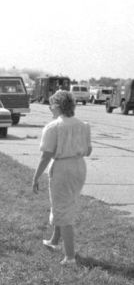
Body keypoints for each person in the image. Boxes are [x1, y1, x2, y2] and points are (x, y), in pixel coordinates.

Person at [32, 90, 92, 265]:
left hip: (63, 168)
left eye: (51, 105)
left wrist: (35, 177)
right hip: (79, 166)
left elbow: (46, 156)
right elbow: (88, 151)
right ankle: (54, 240)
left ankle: (70, 256)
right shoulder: (83, 125)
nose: (50, 108)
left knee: (63, 209)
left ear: (58, 106)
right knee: (64, 203)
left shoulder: (54, 127)